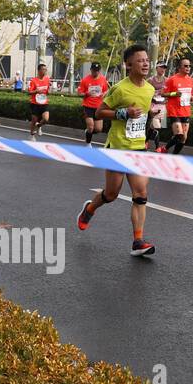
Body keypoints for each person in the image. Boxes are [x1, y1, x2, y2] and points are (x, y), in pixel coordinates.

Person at [75, 43, 157, 258]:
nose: (146, 63)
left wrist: (151, 121)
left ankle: (138, 241)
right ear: (129, 65)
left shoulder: (149, 89)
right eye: (140, 60)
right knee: (111, 194)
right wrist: (123, 113)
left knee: (141, 194)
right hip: (117, 149)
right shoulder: (120, 88)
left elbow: (143, 116)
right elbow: (100, 112)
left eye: (147, 60)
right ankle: (89, 209)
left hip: (138, 149)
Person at [160, 57, 193, 154]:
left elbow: (190, 95)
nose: (188, 68)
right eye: (185, 66)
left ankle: (174, 156)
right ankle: (165, 148)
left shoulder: (191, 80)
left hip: (186, 111)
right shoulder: (172, 79)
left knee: (184, 137)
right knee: (179, 135)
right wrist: (173, 94)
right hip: (174, 111)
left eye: (189, 66)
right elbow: (162, 93)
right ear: (179, 68)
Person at [77, 62, 109, 146]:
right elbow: (79, 93)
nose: (96, 72)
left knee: (98, 129)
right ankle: (88, 143)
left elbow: (106, 90)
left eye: (97, 71)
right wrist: (87, 93)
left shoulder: (103, 79)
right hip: (88, 106)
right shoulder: (85, 80)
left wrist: (104, 94)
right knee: (91, 126)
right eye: (94, 70)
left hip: (99, 107)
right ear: (91, 70)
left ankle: (88, 132)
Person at [27, 63, 53, 138]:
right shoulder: (33, 80)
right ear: (39, 71)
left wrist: (49, 91)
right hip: (35, 103)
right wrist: (36, 91)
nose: (45, 71)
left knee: (46, 119)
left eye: (46, 70)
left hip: (44, 103)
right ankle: (32, 135)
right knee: (34, 120)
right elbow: (29, 92)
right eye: (43, 69)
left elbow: (48, 90)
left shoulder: (47, 79)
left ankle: (39, 126)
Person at [148, 63, 169, 148]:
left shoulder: (167, 80)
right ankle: (157, 147)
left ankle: (145, 141)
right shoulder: (150, 80)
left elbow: (169, 92)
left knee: (157, 127)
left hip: (163, 106)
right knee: (157, 126)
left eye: (164, 68)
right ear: (157, 68)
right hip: (153, 105)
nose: (163, 69)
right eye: (161, 67)